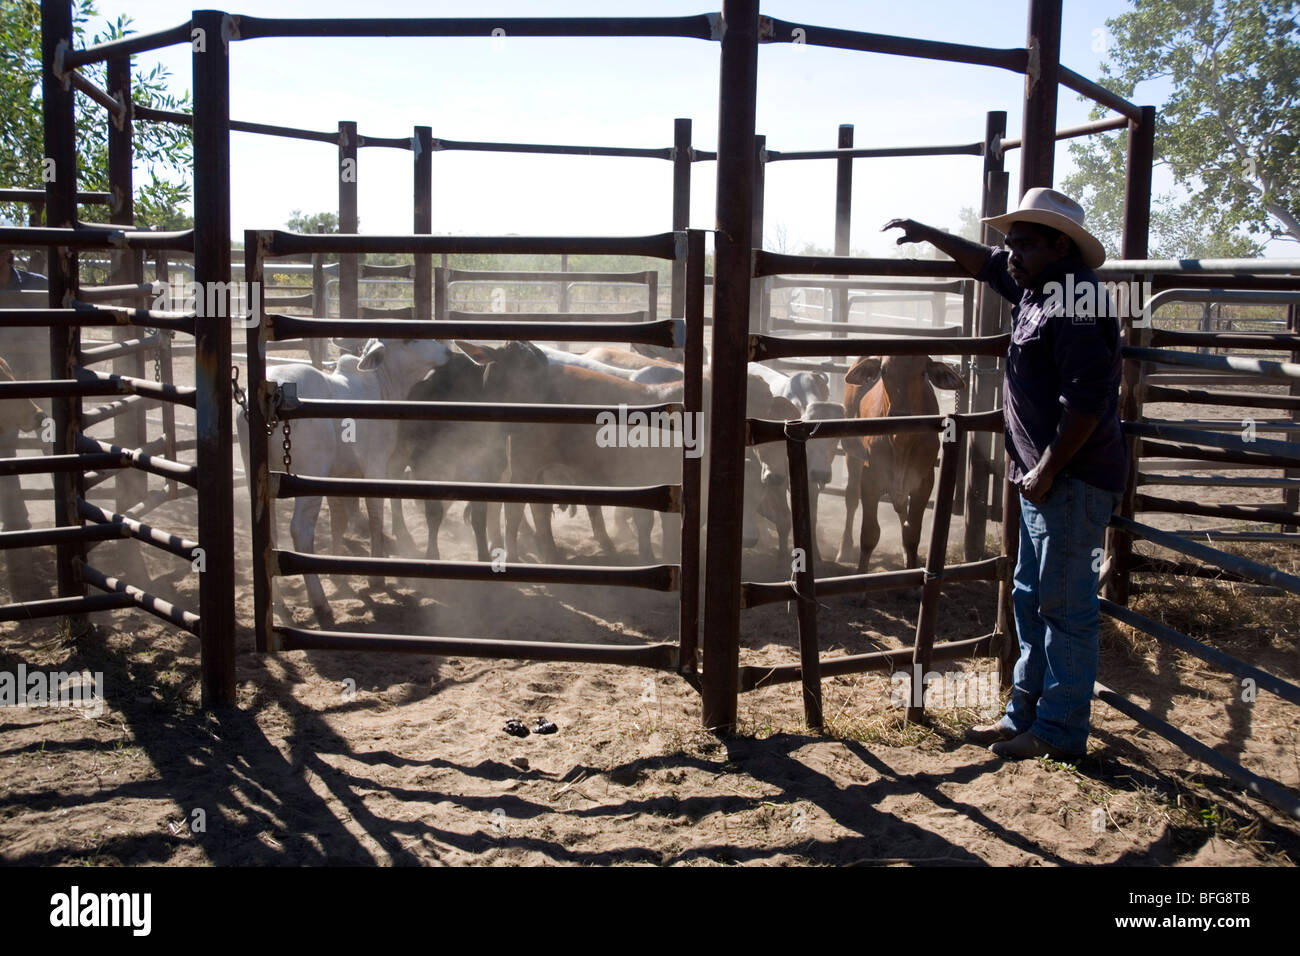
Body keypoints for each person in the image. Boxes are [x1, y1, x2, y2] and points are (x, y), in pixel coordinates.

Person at [883, 187, 1127, 761]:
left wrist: (1044, 468)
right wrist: (930, 232)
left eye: (1023, 243)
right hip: (1043, 478)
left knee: (1064, 607)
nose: (1010, 253)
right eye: (1010, 242)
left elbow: (1088, 402)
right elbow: (986, 263)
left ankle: (1058, 733)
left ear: (1059, 244)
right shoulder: (1040, 286)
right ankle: (1024, 714)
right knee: (1029, 597)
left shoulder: (1079, 301)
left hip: (1069, 478)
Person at [0, 247, 49, 533]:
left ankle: (73, 514)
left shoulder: (39, 287)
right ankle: (17, 525)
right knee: (3, 453)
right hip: (5, 393)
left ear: (6, 252)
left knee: (55, 445)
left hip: (41, 383)